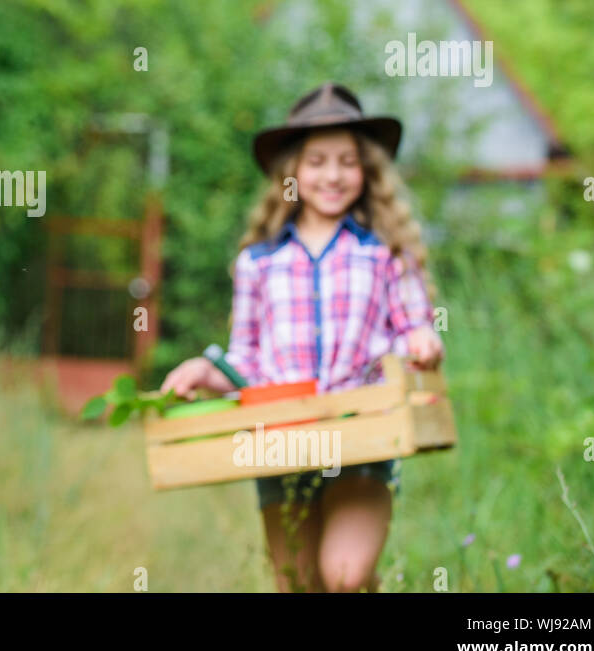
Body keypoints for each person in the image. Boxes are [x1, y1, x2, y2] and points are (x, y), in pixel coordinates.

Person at [160, 82, 444, 593]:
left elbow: (413, 325)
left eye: (346, 161)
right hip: (282, 439)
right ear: (292, 172)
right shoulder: (259, 263)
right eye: (317, 161)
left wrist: (423, 340)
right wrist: (208, 370)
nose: (332, 175)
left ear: (367, 172)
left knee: (344, 575)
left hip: (363, 436)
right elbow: (249, 358)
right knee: (298, 582)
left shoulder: (386, 254)